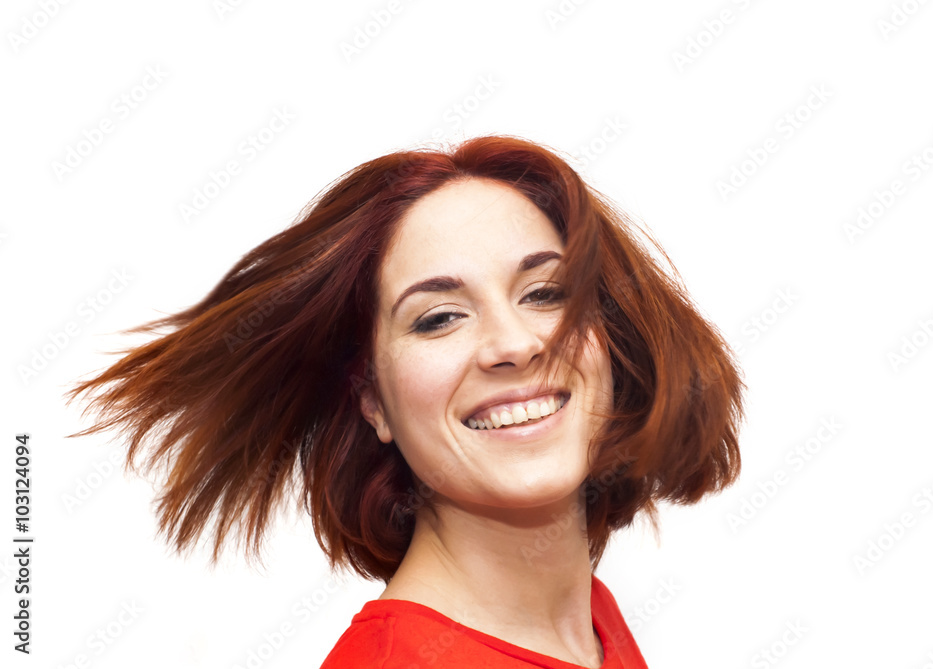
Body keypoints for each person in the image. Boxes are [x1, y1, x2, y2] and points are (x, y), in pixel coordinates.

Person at [66, 135, 744, 668]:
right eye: (438, 317)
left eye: (544, 292)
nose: (512, 343)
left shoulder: (587, 621)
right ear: (374, 403)